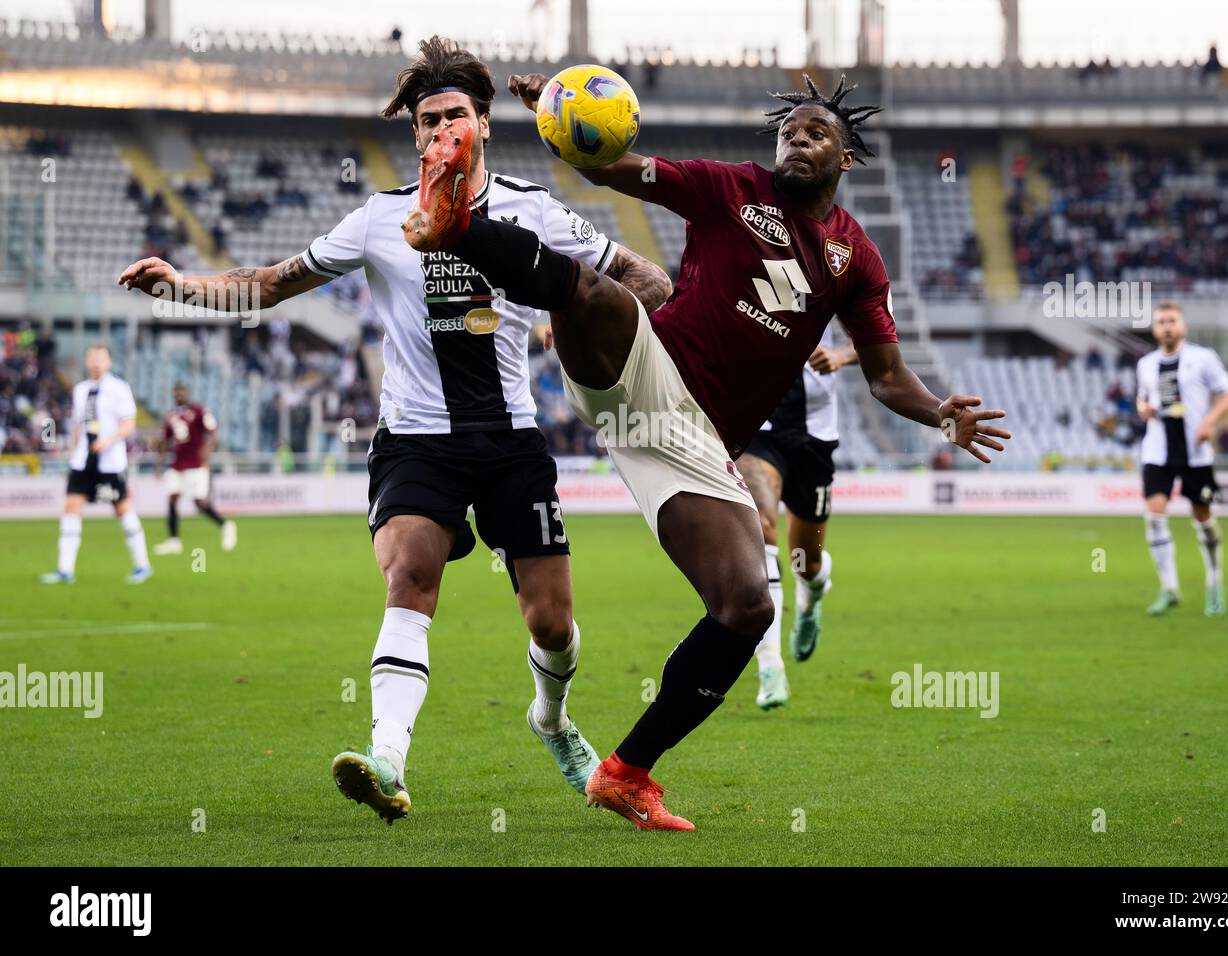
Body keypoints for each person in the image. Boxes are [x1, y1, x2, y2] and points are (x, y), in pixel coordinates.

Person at [401, 72, 1011, 829]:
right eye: (789, 130)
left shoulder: (856, 259)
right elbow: (605, 167)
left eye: (817, 132)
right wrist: (559, 110)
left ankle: (626, 772)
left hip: (690, 442)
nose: (798, 139)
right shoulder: (731, 188)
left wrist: (938, 413)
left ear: (845, 156)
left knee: (747, 604)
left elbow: (886, 377)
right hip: (647, 366)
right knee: (596, 292)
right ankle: (454, 225)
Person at [117, 36, 672, 825]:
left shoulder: (533, 211)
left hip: (513, 438)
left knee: (552, 621)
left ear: (483, 123)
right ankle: (387, 758)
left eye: (454, 114)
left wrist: (585, 329)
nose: (440, 127)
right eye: (426, 119)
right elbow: (272, 284)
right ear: (415, 135)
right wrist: (179, 289)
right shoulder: (380, 218)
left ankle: (549, 719)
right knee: (409, 576)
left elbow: (643, 279)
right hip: (416, 438)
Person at [737, 326, 856, 709]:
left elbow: (877, 336)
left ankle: (812, 593)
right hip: (758, 430)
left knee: (806, 561)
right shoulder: (746, 268)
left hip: (814, 440)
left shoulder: (838, 270)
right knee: (762, 529)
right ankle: (770, 665)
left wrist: (842, 355)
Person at [1136, 302, 1228, 616]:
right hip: (1158, 452)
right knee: (1154, 516)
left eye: (1172, 320)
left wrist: (1208, 422)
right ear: (1154, 329)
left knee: (1204, 519)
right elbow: (1142, 399)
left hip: (1195, 454)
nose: (1166, 326)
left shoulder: (1202, 358)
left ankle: (1214, 583)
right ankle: (1169, 588)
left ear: (1183, 326)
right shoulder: (1146, 364)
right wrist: (1143, 409)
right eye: (1161, 321)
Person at [40, 343, 152, 585]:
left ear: (109, 362)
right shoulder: (81, 389)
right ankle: (64, 570)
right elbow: (78, 423)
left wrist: (108, 441)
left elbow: (128, 423)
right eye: (91, 357)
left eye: (100, 358)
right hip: (83, 461)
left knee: (122, 509)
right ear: (86, 361)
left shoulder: (119, 388)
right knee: (71, 507)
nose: (95, 362)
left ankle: (142, 565)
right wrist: (74, 448)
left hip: (110, 462)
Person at [152, 382, 237, 555]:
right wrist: (159, 465)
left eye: (181, 391)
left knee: (199, 503)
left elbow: (213, 432)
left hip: (196, 464)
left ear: (187, 392)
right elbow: (164, 442)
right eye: (175, 392)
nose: (178, 395)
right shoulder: (170, 415)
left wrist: (208, 448)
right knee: (172, 499)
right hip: (177, 465)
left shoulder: (199, 411)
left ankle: (225, 525)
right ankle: (174, 541)